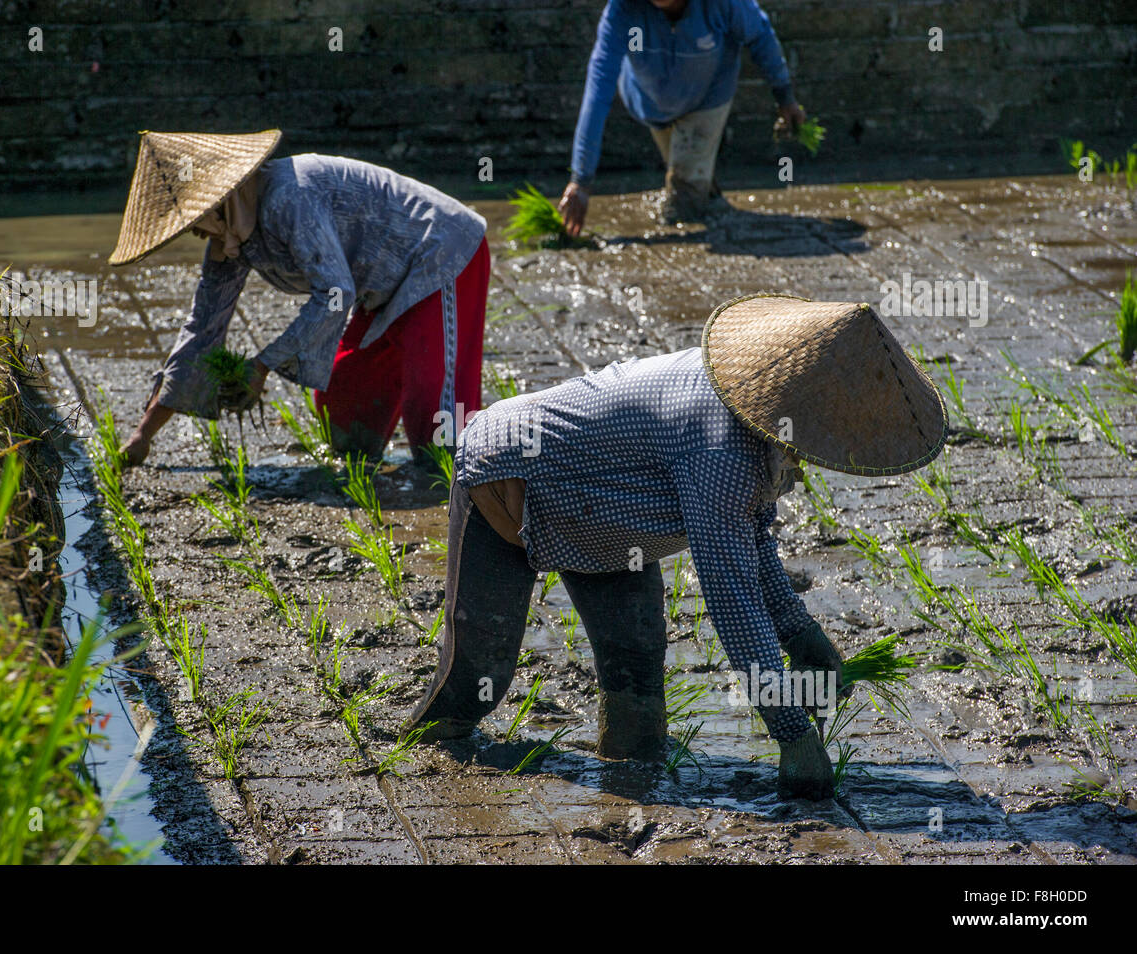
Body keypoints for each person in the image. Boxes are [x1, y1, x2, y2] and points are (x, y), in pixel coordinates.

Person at [406, 294, 948, 800]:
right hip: (509, 479)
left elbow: (752, 536)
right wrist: (792, 733)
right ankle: (417, 766)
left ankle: (627, 792)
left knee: (637, 680)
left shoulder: (760, 422)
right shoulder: (722, 445)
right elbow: (732, 598)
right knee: (478, 676)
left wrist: (799, 631)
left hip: (613, 524)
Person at [108, 130, 490, 466]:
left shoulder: (288, 198)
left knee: (435, 412)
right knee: (343, 399)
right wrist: (145, 434)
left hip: (440, 254)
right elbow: (202, 328)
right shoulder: (230, 234)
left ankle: (458, 494)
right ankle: (371, 473)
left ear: (217, 200)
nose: (193, 233)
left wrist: (262, 365)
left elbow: (337, 294)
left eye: (192, 222)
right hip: (383, 285)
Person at [559, 0, 805, 233]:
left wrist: (784, 97)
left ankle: (704, 239)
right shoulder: (623, 10)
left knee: (683, 200)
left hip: (707, 101)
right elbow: (598, 89)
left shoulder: (721, 5)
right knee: (694, 182)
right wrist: (581, 181)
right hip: (650, 103)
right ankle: (711, 201)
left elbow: (760, 35)